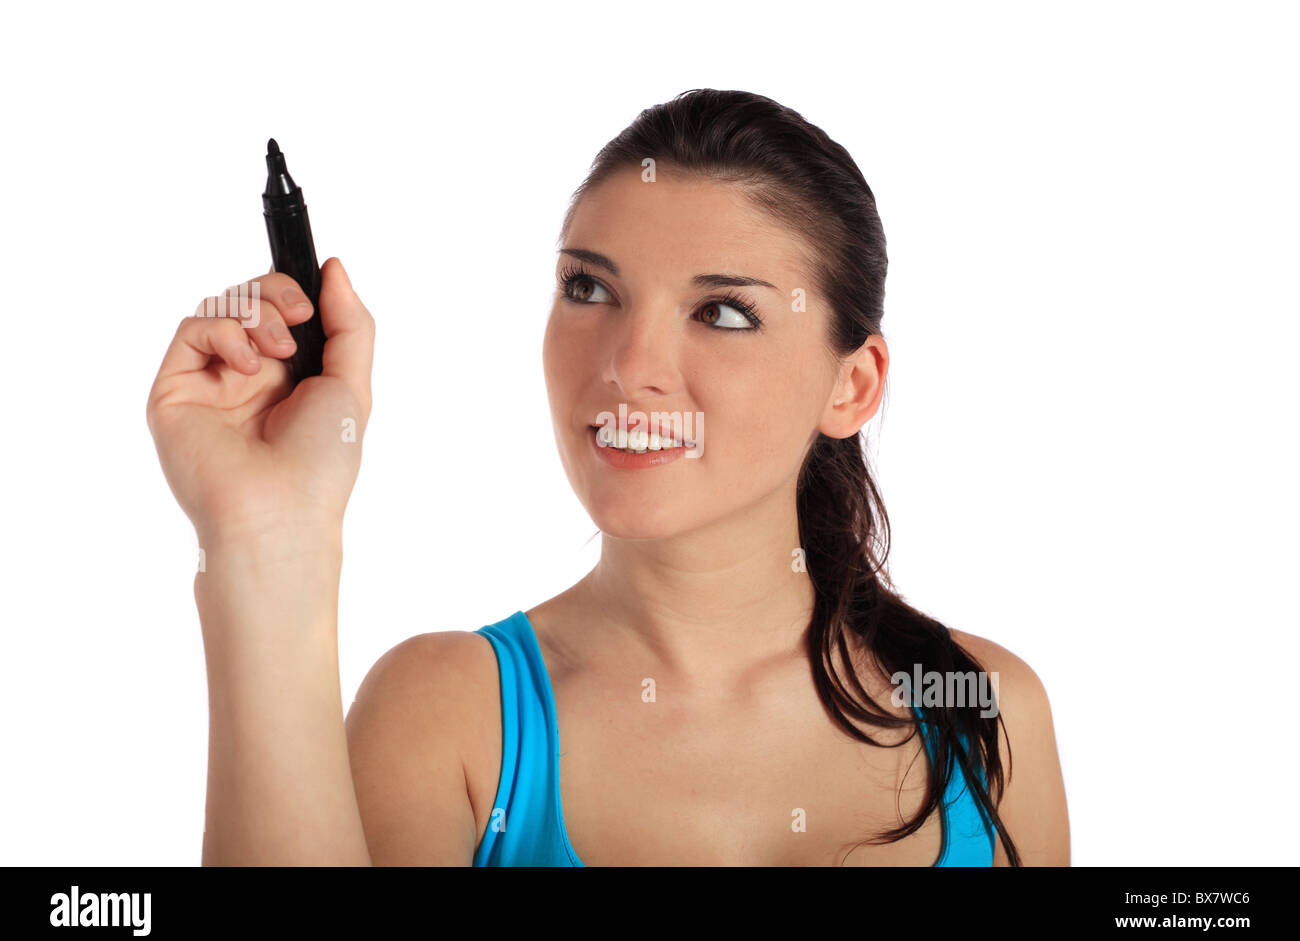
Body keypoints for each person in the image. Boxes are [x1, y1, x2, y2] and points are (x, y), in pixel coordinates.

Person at [146, 88, 1069, 866]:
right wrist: (268, 540)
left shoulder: (984, 713)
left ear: (852, 383)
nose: (630, 365)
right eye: (589, 289)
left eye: (723, 311)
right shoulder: (452, 720)